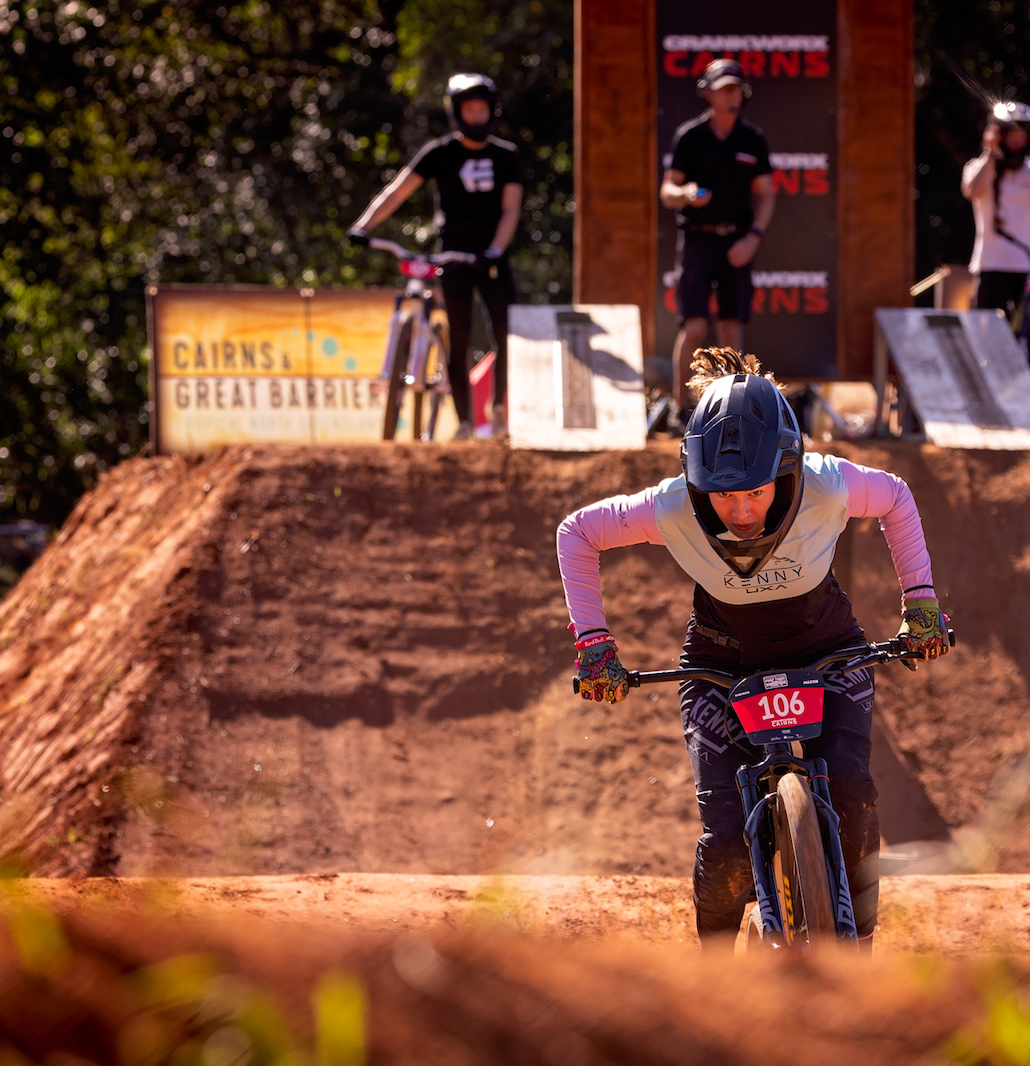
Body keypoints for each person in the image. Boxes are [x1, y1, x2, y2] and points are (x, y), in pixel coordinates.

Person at [555, 348, 950, 949]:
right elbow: (577, 532)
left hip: (828, 653)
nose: (741, 511)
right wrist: (594, 644)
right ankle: (715, 977)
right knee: (727, 846)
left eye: (758, 492)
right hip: (719, 666)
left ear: (789, 471)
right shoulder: (671, 505)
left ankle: (859, 954)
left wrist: (919, 604)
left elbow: (896, 496)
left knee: (852, 794)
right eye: (722, 495)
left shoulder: (826, 484)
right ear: (695, 481)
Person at [347, 73, 523, 439]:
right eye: (468, 109)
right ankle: (463, 422)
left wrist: (495, 250)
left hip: (491, 258)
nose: (476, 116)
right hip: (451, 256)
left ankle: (500, 409)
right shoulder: (439, 153)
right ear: (456, 112)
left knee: (506, 333)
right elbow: (397, 191)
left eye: (482, 109)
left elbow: (511, 209)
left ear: (492, 111)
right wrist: (363, 226)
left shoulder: (507, 156)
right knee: (457, 338)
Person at [660, 59, 776, 422]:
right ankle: (680, 407)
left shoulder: (752, 138)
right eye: (724, 88)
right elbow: (666, 191)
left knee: (731, 329)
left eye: (736, 89)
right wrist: (686, 193)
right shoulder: (689, 136)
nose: (732, 95)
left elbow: (767, 194)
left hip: (737, 243)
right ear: (707, 92)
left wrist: (753, 239)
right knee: (693, 326)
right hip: (698, 240)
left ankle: (730, 412)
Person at [961, 100, 1030, 319]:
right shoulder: (979, 167)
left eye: (1022, 135)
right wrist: (990, 152)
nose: (1017, 141)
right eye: (1011, 134)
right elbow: (971, 191)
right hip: (992, 264)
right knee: (985, 333)